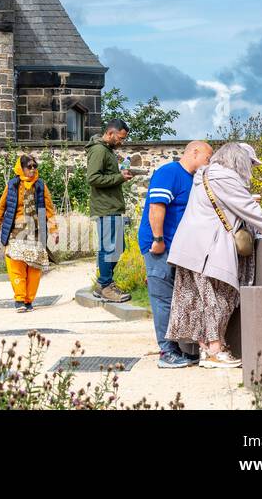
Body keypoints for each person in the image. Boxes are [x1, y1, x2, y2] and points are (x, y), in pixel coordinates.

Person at [166, 141, 262, 368]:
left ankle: (207, 349)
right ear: (240, 160)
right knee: (221, 298)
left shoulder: (206, 175)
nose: (252, 169)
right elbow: (248, 207)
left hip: (189, 247)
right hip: (208, 249)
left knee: (198, 299)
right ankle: (216, 350)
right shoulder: (225, 177)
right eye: (251, 163)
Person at [139, 140, 213, 368]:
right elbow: (156, 207)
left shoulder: (193, 180)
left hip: (180, 248)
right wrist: (158, 239)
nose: (208, 163)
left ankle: (181, 348)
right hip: (161, 247)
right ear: (195, 152)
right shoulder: (169, 172)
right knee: (162, 299)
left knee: (179, 298)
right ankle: (166, 352)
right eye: (208, 158)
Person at [0, 154, 58, 312]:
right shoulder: (12, 185)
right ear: (20, 168)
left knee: (34, 267)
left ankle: (29, 300)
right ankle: (20, 299)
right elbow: (1, 207)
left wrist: (54, 230)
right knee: (16, 265)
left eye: (35, 166)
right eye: (29, 166)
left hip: (35, 232)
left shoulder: (41, 185)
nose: (33, 169)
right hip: (15, 232)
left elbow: (49, 209)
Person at [87, 119, 133, 303]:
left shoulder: (107, 150)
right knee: (109, 248)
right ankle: (106, 286)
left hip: (112, 206)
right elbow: (93, 178)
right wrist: (119, 177)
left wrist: (119, 175)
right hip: (105, 207)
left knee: (118, 246)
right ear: (111, 133)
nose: (121, 142)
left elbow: (105, 176)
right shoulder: (99, 150)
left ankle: (103, 284)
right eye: (120, 138)